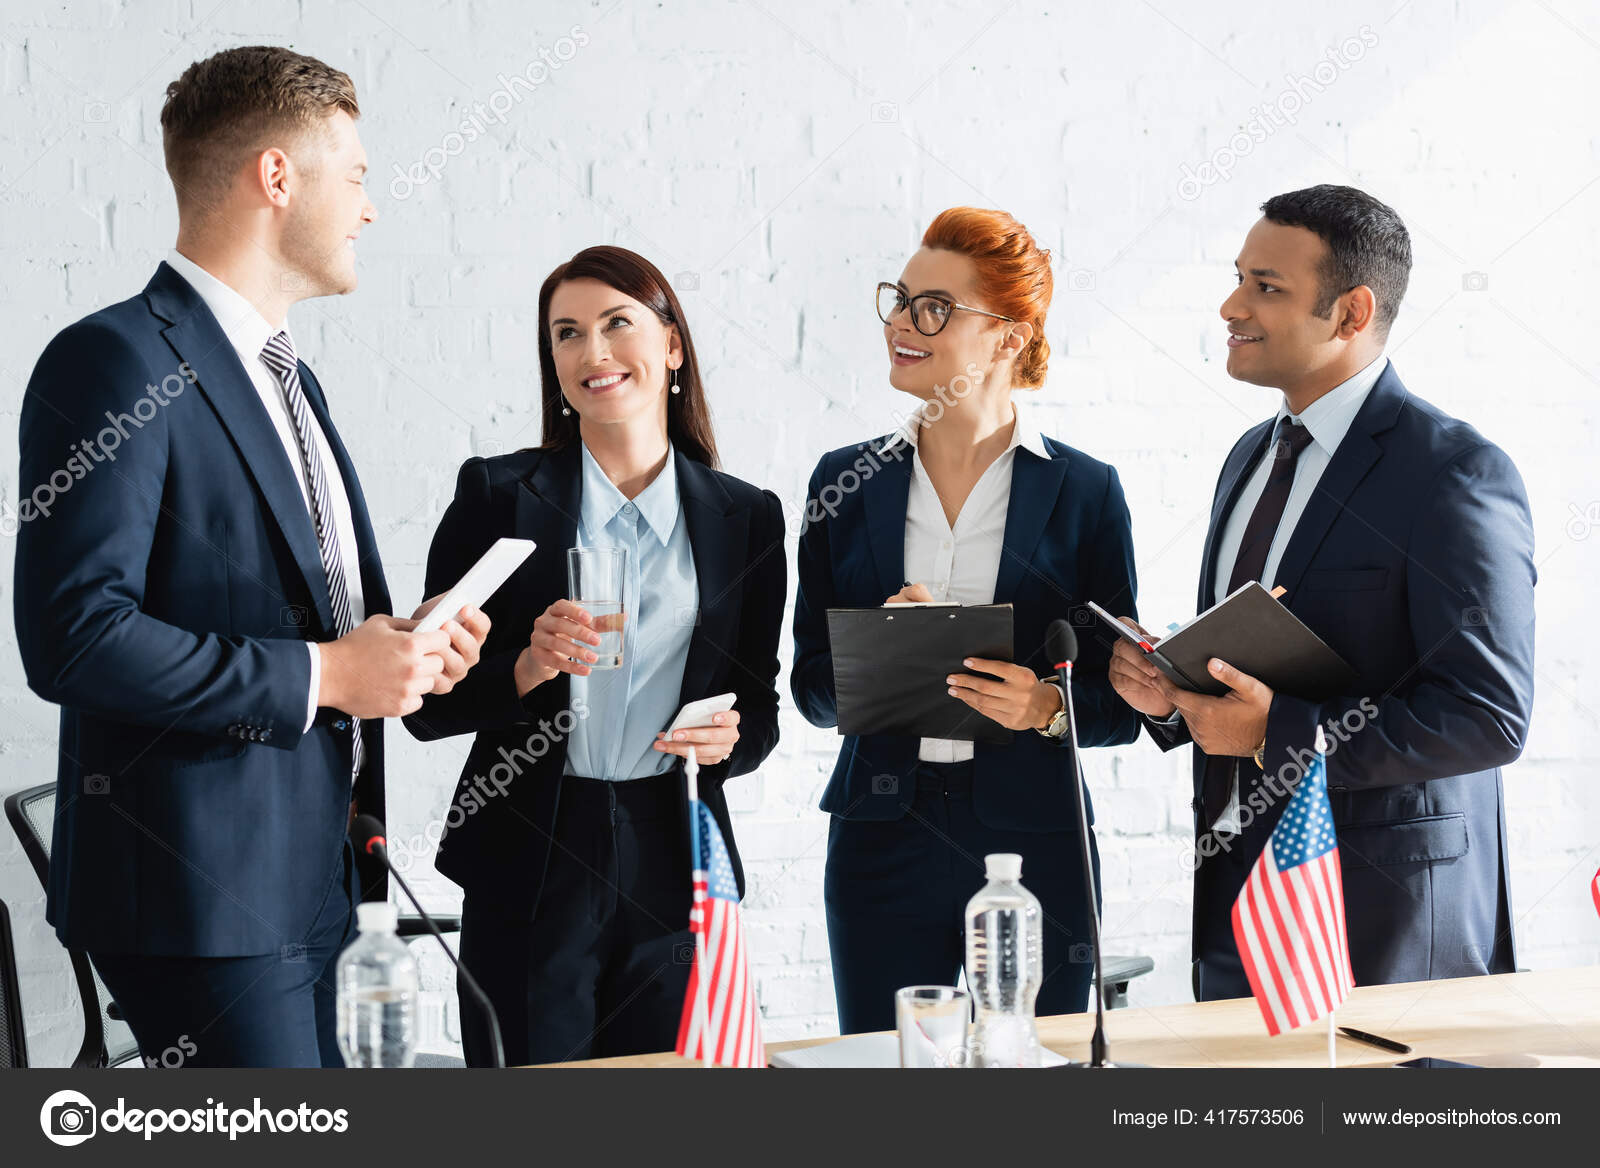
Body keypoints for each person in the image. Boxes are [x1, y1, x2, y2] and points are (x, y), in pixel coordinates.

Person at [12, 46, 489, 1068]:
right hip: (203, 900)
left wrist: (399, 647)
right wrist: (326, 672)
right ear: (278, 177)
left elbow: (287, 612)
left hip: (321, 875)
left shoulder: (290, 381)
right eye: (355, 177)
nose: (368, 207)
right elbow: (72, 634)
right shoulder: (114, 359)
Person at [1108, 185, 1535, 1000]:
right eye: (1239, 277)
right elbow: (1253, 666)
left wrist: (1279, 735)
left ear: (1351, 312)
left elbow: (1488, 715)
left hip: (1388, 914)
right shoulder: (1248, 457)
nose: (1231, 305)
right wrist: (1169, 693)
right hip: (1237, 892)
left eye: (1266, 287)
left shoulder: (1453, 473)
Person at [404, 245, 786, 1065]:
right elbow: (424, 705)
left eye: (618, 324)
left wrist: (732, 740)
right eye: (567, 334)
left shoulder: (746, 518)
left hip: (674, 847)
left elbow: (761, 708)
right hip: (534, 848)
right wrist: (524, 666)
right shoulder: (498, 497)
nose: (594, 353)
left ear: (673, 345)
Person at [791, 207, 1142, 1034]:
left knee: (1040, 1082)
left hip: (1037, 842)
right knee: (887, 1085)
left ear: (1010, 337)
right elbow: (808, 688)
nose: (902, 325)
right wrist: (874, 648)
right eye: (901, 300)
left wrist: (1045, 708)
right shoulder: (844, 483)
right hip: (881, 833)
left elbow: (1127, 696)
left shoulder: (1086, 492)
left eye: (935, 308)